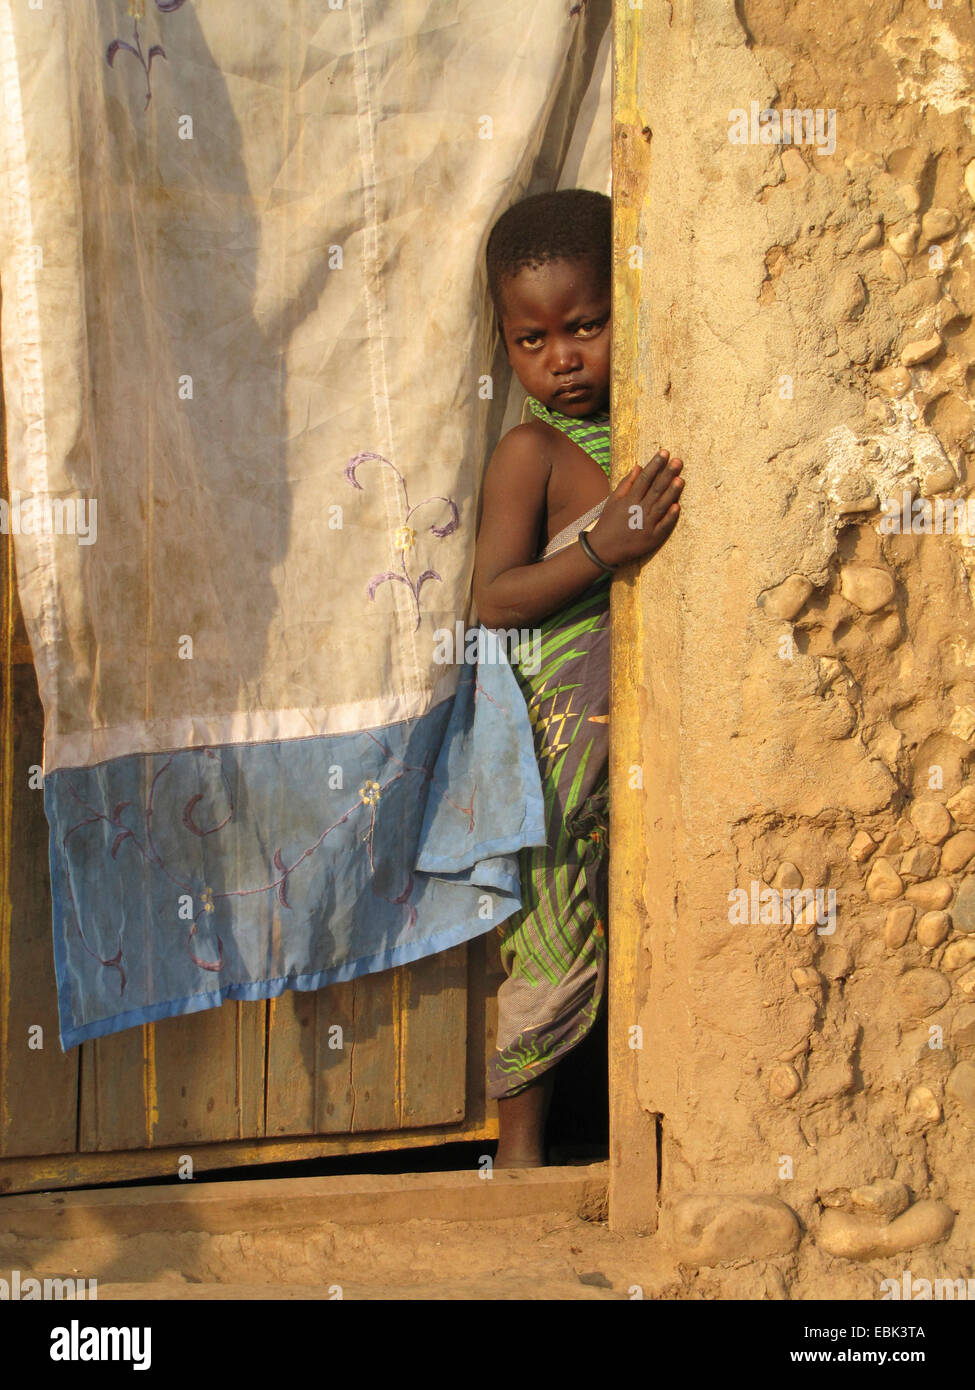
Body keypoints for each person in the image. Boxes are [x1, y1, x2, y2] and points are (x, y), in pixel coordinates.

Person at [473, 188, 684, 1167]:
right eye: (532, 339)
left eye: (586, 325)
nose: (562, 357)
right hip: (554, 751)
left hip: (641, 740)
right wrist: (604, 548)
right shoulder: (534, 451)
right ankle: (518, 1159)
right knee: (548, 925)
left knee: (649, 914)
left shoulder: (651, 425)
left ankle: (650, 1142)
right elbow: (497, 596)